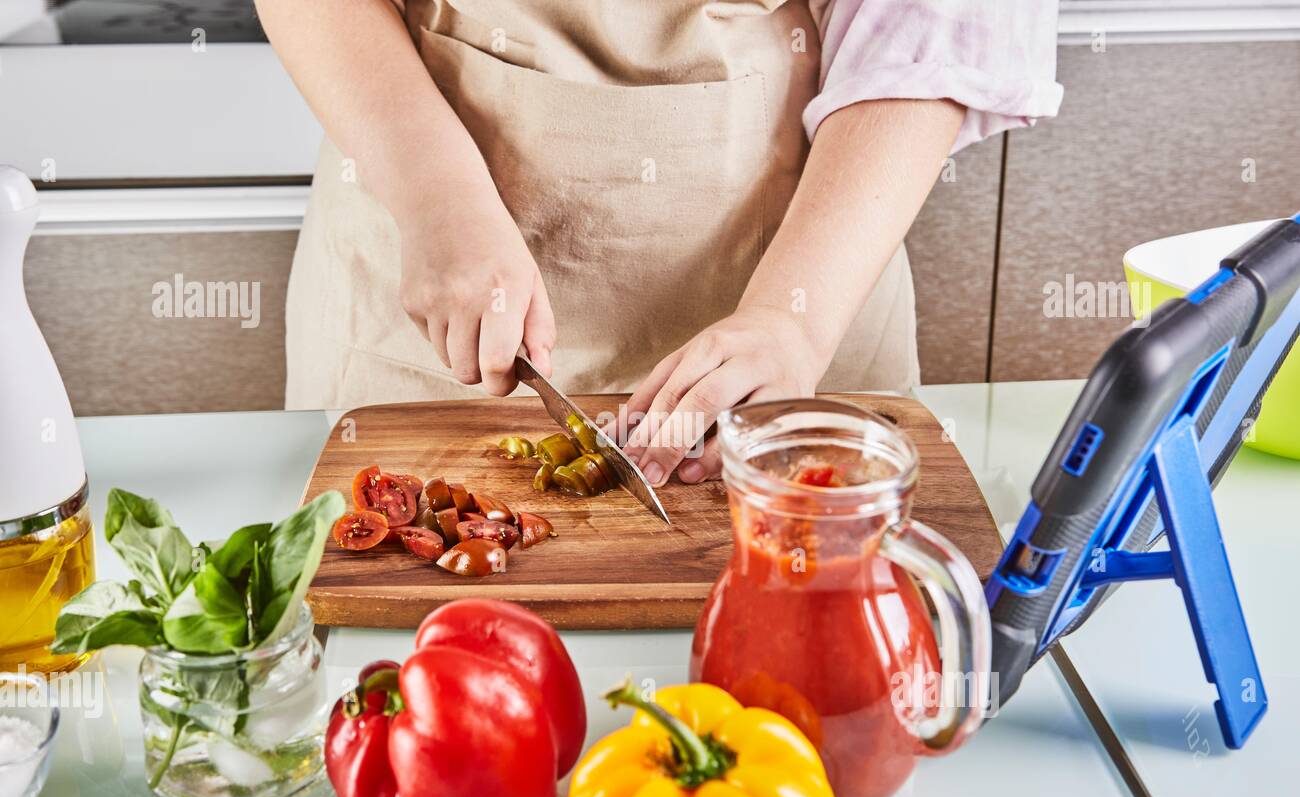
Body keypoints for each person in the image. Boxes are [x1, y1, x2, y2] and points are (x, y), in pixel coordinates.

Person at [260, 0, 1062, 484]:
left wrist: (796, 320)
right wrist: (435, 194)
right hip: (418, 226)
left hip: (804, 259)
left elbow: (933, 22)